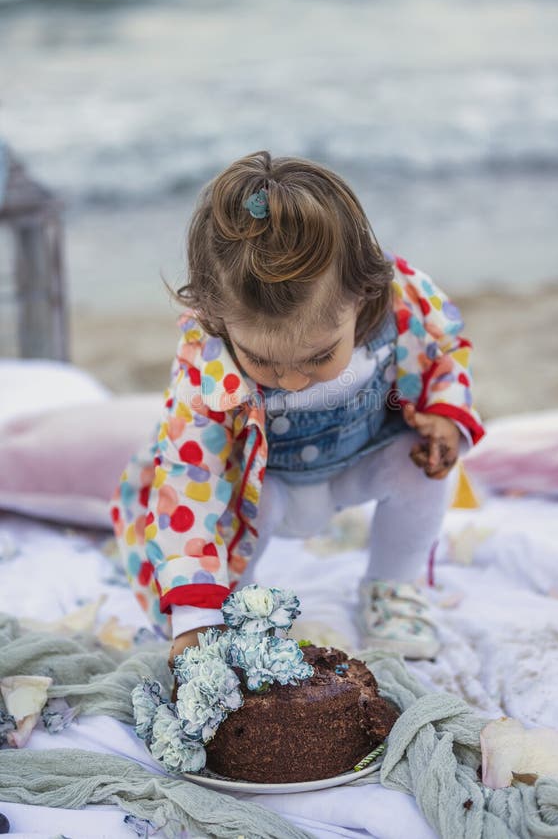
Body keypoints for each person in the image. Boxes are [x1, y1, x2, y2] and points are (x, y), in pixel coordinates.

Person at [110, 150, 484, 667]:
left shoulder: (402, 305)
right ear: (217, 318)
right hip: (267, 490)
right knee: (230, 507)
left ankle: (392, 587)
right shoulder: (210, 362)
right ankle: (239, 606)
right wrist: (195, 616)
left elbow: (447, 354)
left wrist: (443, 412)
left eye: (318, 356)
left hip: (360, 462)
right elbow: (190, 479)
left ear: (363, 294)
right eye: (261, 359)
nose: (290, 378)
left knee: (423, 463)